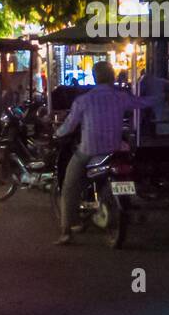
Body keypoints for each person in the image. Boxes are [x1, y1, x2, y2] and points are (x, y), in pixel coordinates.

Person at [53, 61, 157, 245]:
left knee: (69, 186)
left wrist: (56, 134)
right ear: (112, 76)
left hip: (89, 151)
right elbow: (143, 102)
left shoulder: (84, 100)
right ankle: (131, 204)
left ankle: (66, 231)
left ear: (94, 77)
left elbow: (69, 126)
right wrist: (164, 97)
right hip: (115, 150)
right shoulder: (120, 97)